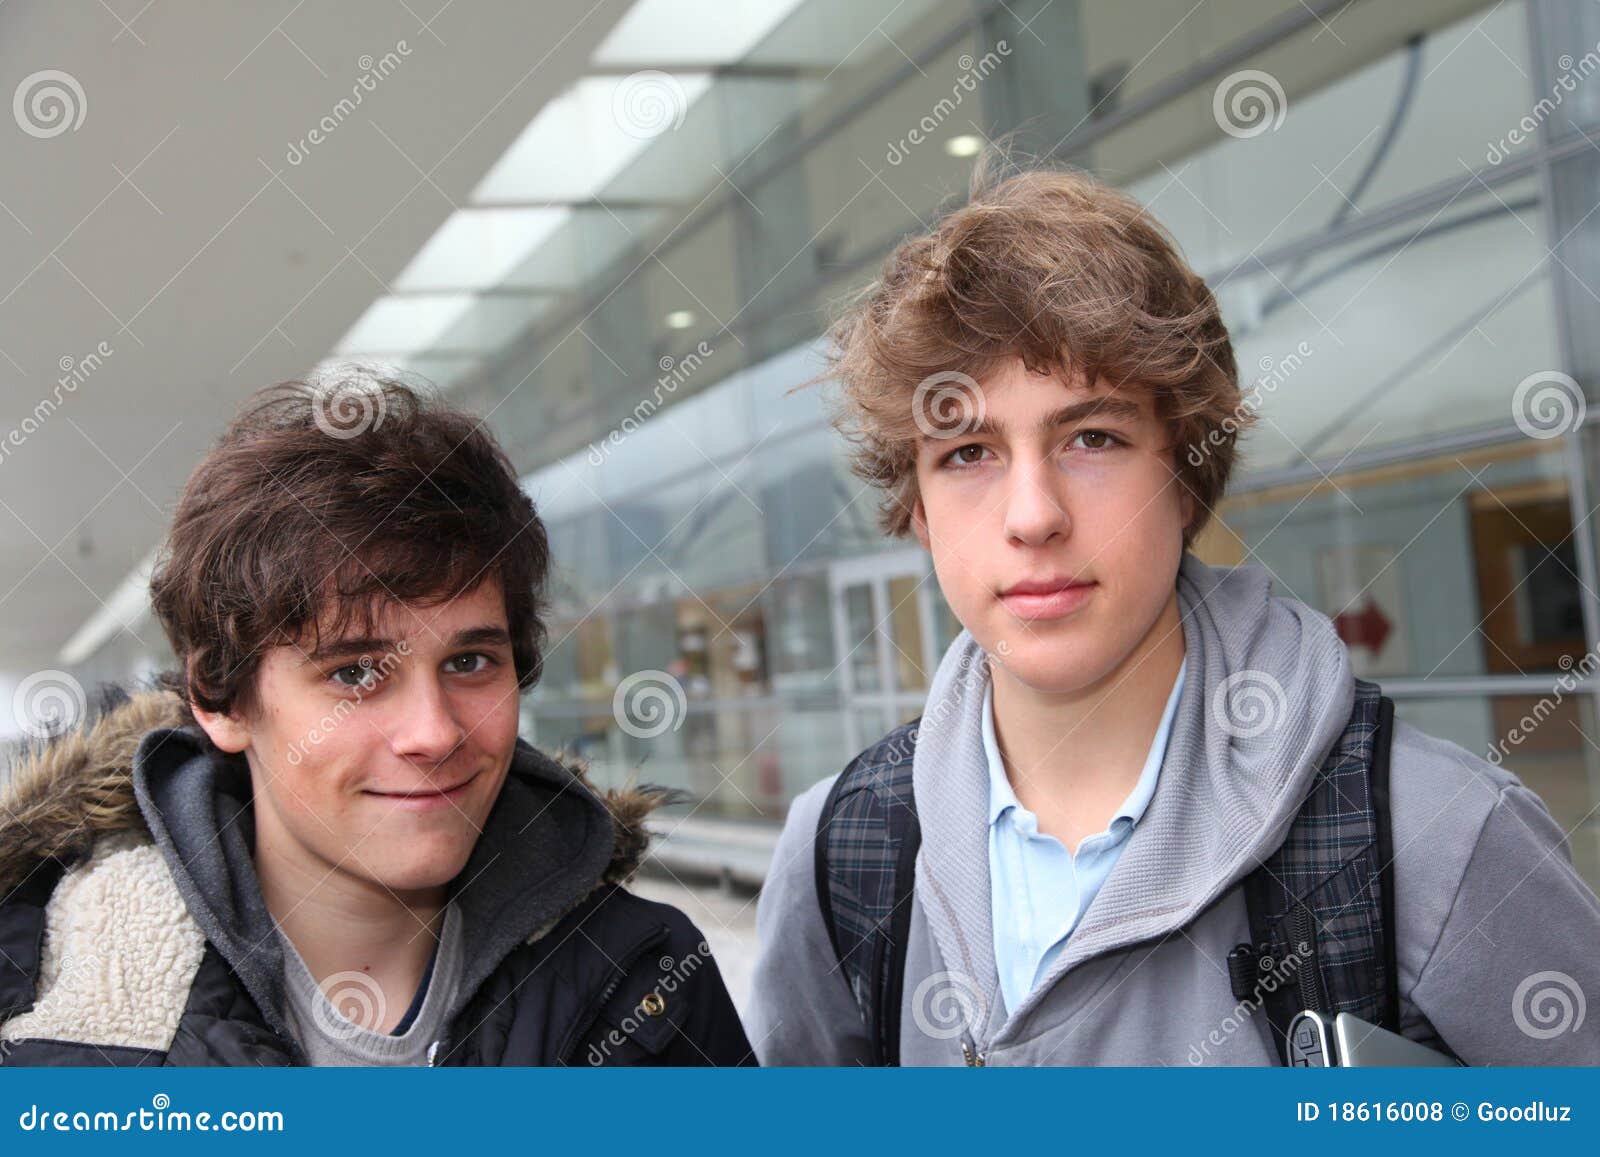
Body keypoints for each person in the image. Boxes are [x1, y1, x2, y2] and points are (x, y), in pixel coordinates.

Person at [747, 162, 1600, 1066]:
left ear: (1186, 478)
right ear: (917, 509)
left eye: (1093, 438)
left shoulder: (1437, 833)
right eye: (967, 453)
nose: (1033, 515)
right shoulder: (842, 854)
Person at [0, 374, 752, 1067]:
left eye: (469, 662)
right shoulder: (43, 1001)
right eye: (355, 672)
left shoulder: (647, 981)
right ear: (222, 700)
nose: (434, 732)